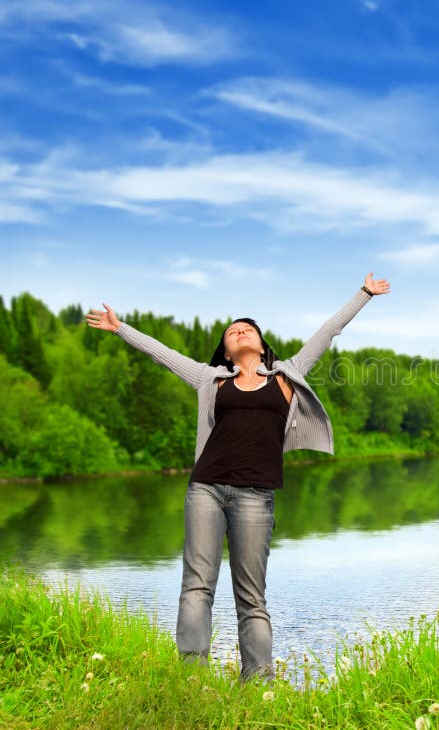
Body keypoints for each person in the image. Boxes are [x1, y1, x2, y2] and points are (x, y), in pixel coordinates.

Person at [86, 273, 390, 681]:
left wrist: (364, 294)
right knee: (197, 586)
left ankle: (259, 683)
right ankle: (192, 679)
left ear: (262, 346)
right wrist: (121, 328)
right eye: (232, 332)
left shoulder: (286, 377)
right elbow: (163, 353)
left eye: (247, 329)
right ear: (227, 352)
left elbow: (328, 331)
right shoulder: (210, 379)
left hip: (256, 496)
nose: (239, 331)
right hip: (206, 489)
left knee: (251, 598)